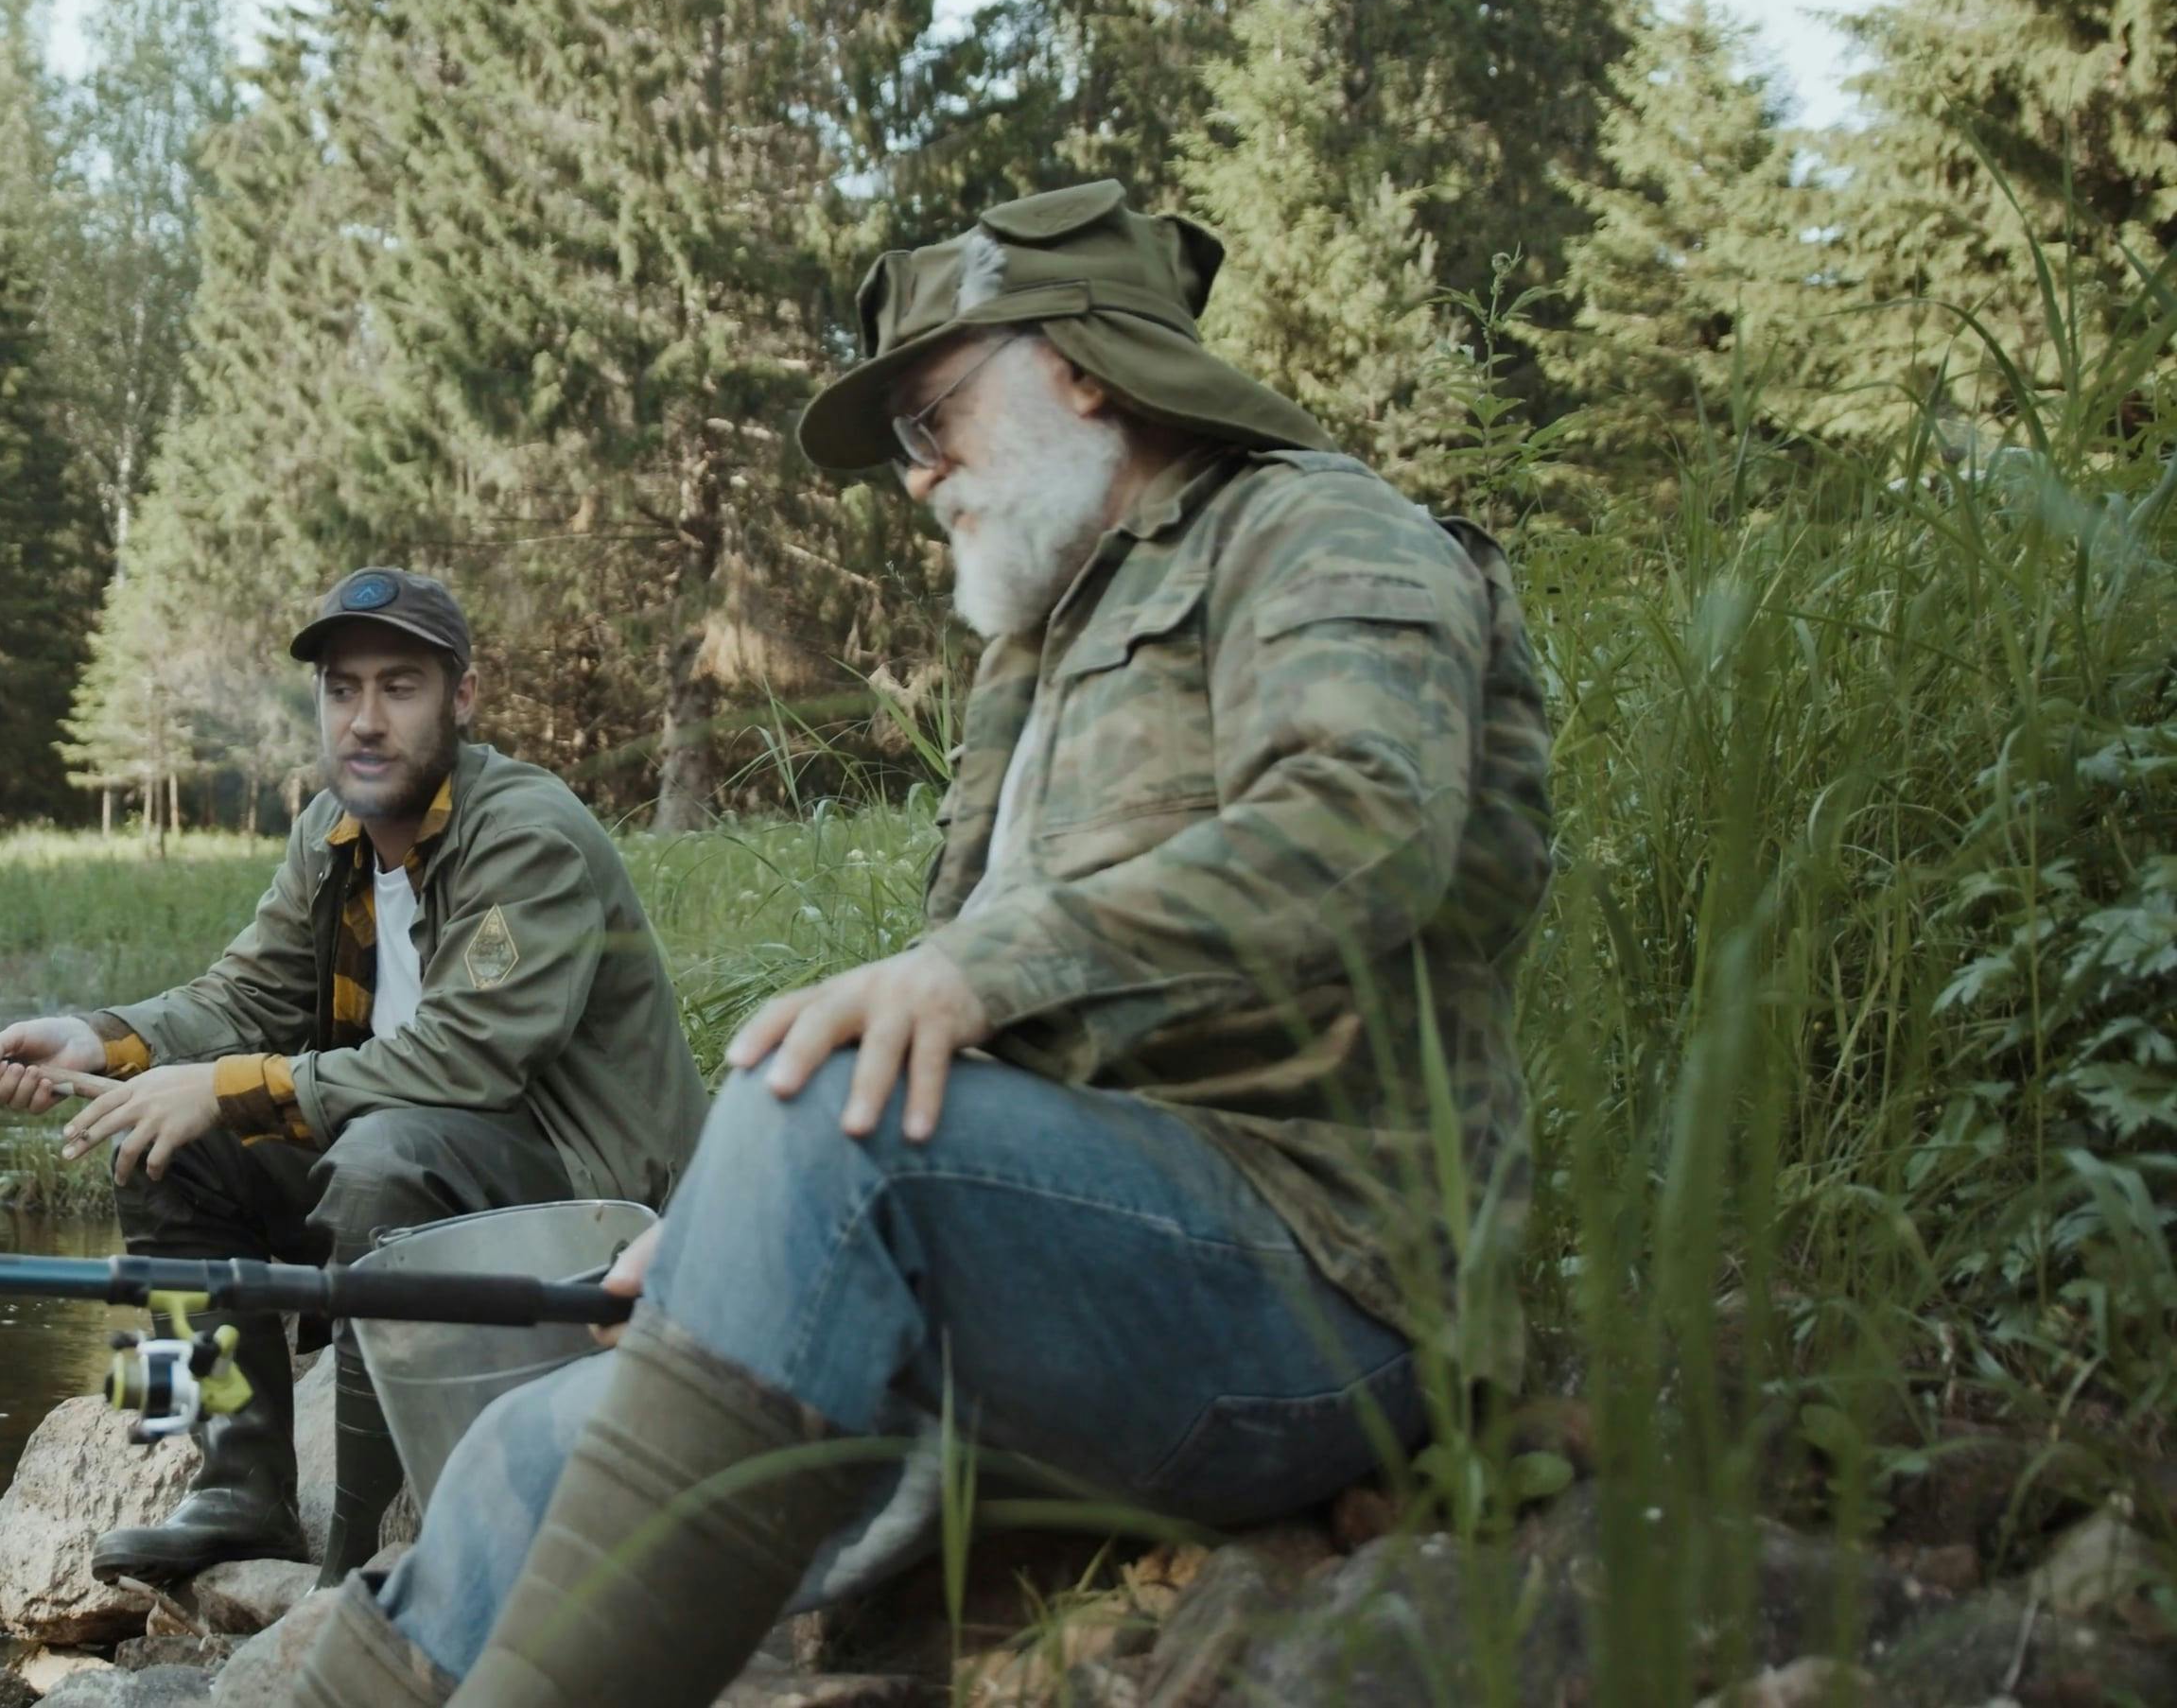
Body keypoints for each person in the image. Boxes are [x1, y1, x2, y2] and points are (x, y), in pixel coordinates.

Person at [291, 180, 1558, 1707]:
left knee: (813, 1113)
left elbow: (1365, 827)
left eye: (933, 419)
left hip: (1324, 1283)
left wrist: (972, 975)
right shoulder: (1040, 654)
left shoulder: (1316, 530)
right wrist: (717, 1246)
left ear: (1083, 364)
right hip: (1056, 1272)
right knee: (525, 1445)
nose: (916, 478)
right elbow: (951, 1082)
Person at [0, 567, 708, 1586]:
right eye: (341, 689)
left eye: (399, 687)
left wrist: (234, 1085)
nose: (365, 720)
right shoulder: (332, 836)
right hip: (430, 1166)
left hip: (596, 1213)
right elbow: (240, 998)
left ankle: (359, 1558)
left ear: (462, 697)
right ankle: (238, 1490)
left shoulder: (527, 834)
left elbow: (468, 1056)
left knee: (376, 1159)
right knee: (165, 1152)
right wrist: (98, 1040)